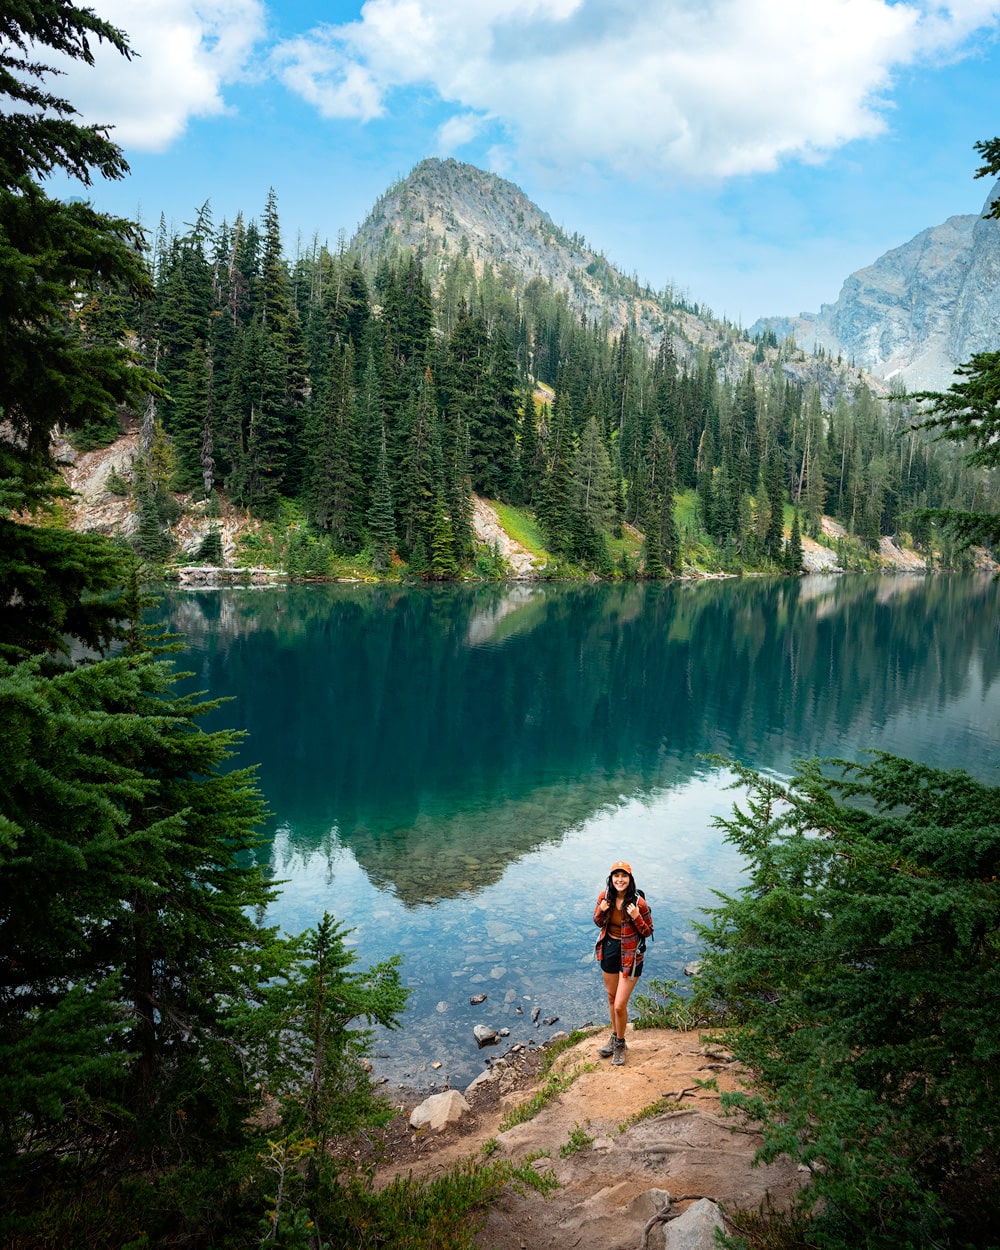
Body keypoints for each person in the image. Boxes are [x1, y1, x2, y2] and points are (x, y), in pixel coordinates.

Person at [593, 860, 653, 1066]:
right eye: (616, 876)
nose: (620, 879)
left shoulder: (638, 904)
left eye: (624, 876)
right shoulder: (604, 897)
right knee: (611, 998)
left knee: (620, 1005)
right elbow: (598, 922)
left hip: (631, 955)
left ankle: (620, 1043)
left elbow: (648, 931)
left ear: (630, 879)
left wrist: (636, 917)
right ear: (611, 879)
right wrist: (601, 910)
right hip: (609, 949)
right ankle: (614, 1036)